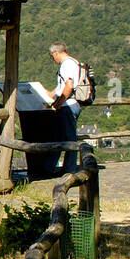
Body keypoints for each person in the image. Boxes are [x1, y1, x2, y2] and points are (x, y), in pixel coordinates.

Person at [47, 42, 83, 175]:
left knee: (66, 138)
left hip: (67, 105)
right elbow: (61, 87)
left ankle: (67, 169)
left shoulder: (66, 64)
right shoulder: (74, 62)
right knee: (66, 137)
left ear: (56, 53)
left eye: (52, 56)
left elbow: (68, 85)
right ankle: (64, 168)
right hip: (74, 104)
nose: (53, 59)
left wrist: (59, 102)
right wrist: (49, 94)